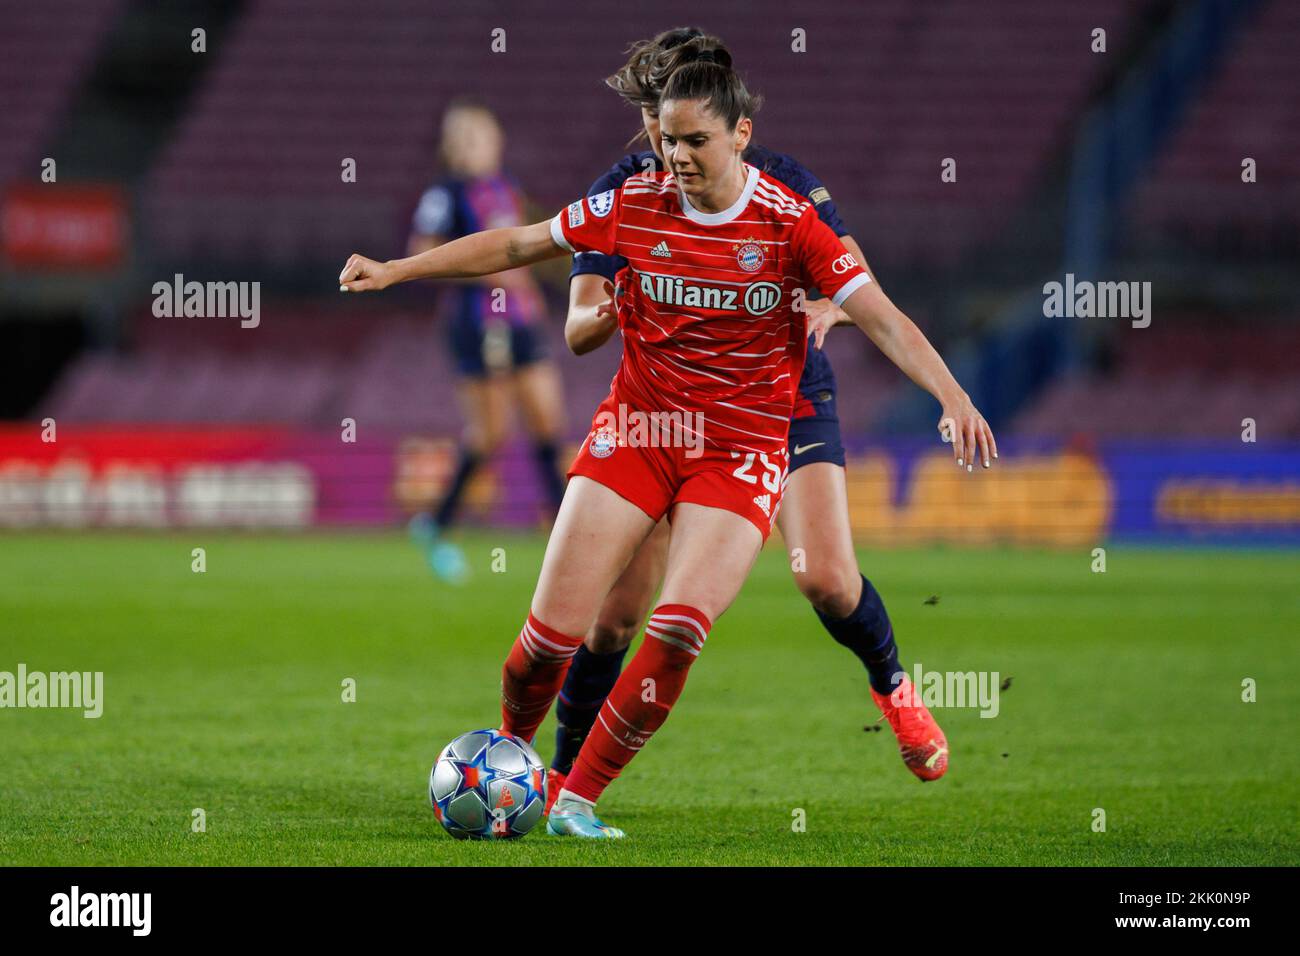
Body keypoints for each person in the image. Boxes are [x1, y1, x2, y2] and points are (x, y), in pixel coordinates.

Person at [339, 57, 995, 838]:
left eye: (694, 140)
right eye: (668, 138)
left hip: (743, 448)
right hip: (642, 432)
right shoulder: (633, 197)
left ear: (741, 134)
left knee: (684, 626)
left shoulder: (791, 217)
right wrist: (399, 270)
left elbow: (880, 314)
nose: (677, 155)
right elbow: (518, 246)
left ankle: (574, 800)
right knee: (549, 642)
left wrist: (951, 396)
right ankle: (512, 752)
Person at [549, 29, 973, 804]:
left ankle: (894, 688)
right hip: (670, 414)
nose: (660, 134)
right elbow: (578, 324)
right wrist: (604, 313)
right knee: (613, 620)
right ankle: (558, 779)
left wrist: (828, 311)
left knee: (826, 580)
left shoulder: (780, 183)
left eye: (674, 117)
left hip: (784, 399)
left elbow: (857, 289)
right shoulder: (624, 192)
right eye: (652, 116)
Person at [406, 100, 567, 582]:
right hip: (478, 323)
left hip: (519, 320)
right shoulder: (445, 193)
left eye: (490, 137)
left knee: (546, 420)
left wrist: (528, 289)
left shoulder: (505, 188)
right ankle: (435, 525)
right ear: (457, 147)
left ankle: (564, 531)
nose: (487, 146)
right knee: (491, 432)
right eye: (476, 139)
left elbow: (515, 250)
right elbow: (421, 251)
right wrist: (489, 278)